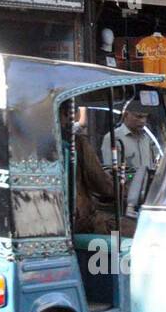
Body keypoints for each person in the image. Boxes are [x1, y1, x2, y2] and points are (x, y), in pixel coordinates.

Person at [59, 102, 127, 235]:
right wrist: (123, 189)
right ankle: (108, 257)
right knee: (134, 229)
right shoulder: (75, 142)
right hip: (78, 221)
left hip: (55, 220)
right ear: (67, 114)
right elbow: (101, 184)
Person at [102, 100, 159, 220]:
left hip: (146, 198)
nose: (142, 121)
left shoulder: (147, 139)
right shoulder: (113, 138)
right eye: (138, 116)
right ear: (126, 115)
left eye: (145, 117)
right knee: (117, 235)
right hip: (123, 201)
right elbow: (110, 172)